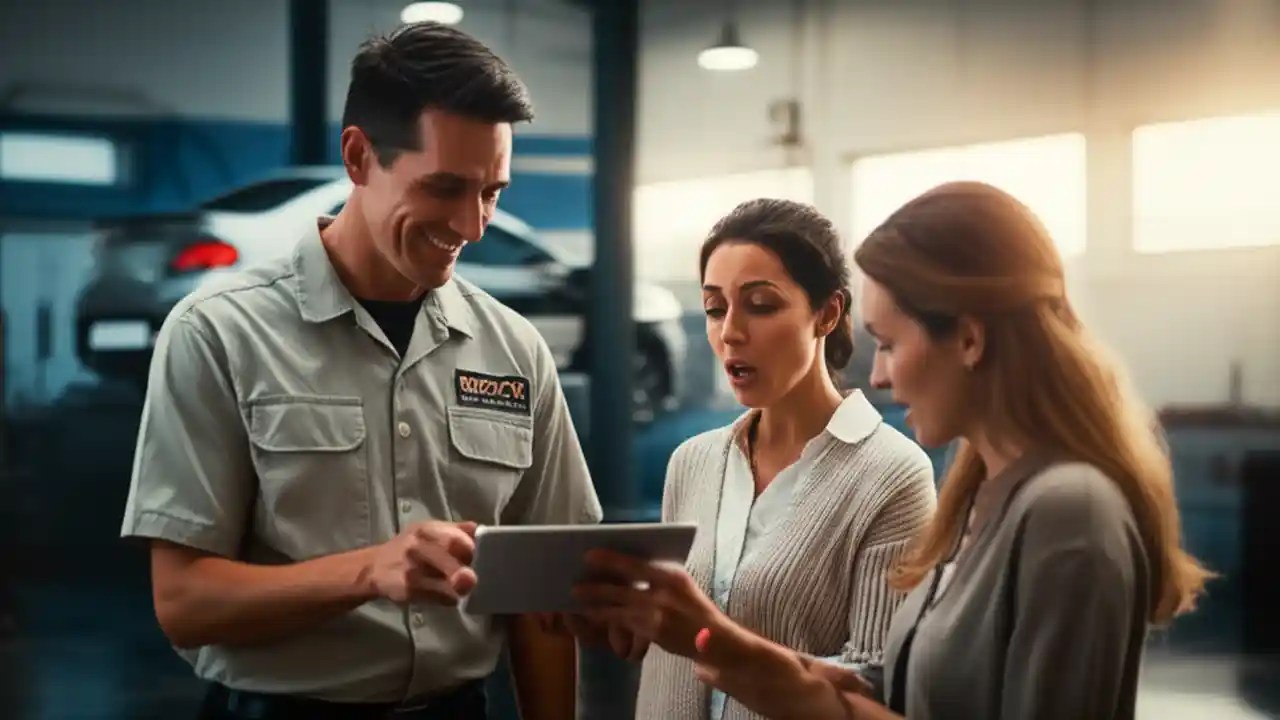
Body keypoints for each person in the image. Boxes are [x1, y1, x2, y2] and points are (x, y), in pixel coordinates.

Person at [119, 21, 602, 720]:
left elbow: (543, 592)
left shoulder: (515, 350)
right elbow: (185, 604)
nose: (472, 225)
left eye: (492, 191)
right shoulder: (220, 332)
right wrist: (369, 571)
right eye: (444, 188)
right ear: (358, 156)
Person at [683, 181, 1212, 720]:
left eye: (888, 345)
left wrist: (809, 700)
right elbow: (925, 687)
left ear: (969, 339)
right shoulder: (980, 496)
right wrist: (764, 664)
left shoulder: (1067, 511)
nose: (881, 376)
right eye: (713, 307)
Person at [568, 199, 937, 720]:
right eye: (716, 308)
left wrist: (706, 638)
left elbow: (874, 688)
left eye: (761, 305)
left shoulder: (892, 474)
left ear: (828, 313)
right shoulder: (692, 462)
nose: (730, 332)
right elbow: (671, 646)